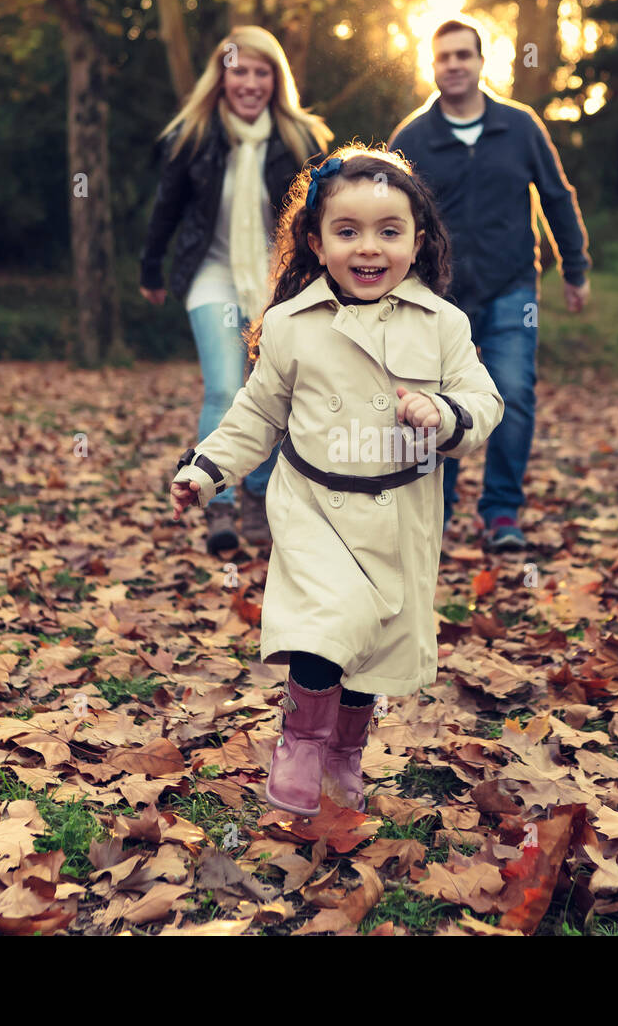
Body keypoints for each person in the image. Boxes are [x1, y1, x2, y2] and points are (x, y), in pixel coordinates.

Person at [169, 146, 503, 816]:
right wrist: (208, 469)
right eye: (347, 231)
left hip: (401, 511)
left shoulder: (442, 325)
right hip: (315, 505)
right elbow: (258, 411)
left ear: (417, 241)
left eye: (389, 230)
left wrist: (443, 412)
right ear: (316, 243)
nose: (368, 247)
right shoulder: (293, 326)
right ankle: (300, 738)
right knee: (328, 624)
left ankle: (346, 751)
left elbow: (484, 401)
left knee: (373, 644)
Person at [388, 17, 592, 551]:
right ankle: (439, 509)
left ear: (481, 62)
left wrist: (576, 267)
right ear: (431, 67)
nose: (453, 65)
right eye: (442, 57)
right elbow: (385, 214)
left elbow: (556, 195)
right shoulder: (412, 138)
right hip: (437, 295)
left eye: (463, 55)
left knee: (514, 395)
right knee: (435, 402)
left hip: (511, 288)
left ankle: (501, 513)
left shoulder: (519, 127)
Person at [140, 26, 332, 556]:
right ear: (220, 77)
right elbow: (167, 208)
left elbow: (322, 214)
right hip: (212, 272)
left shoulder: (303, 138)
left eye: (261, 71)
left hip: (280, 278)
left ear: (276, 78)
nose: (250, 82)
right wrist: (150, 269)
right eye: (239, 70)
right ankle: (216, 499)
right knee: (225, 388)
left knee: (270, 391)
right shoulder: (194, 135)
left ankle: (257, 496)